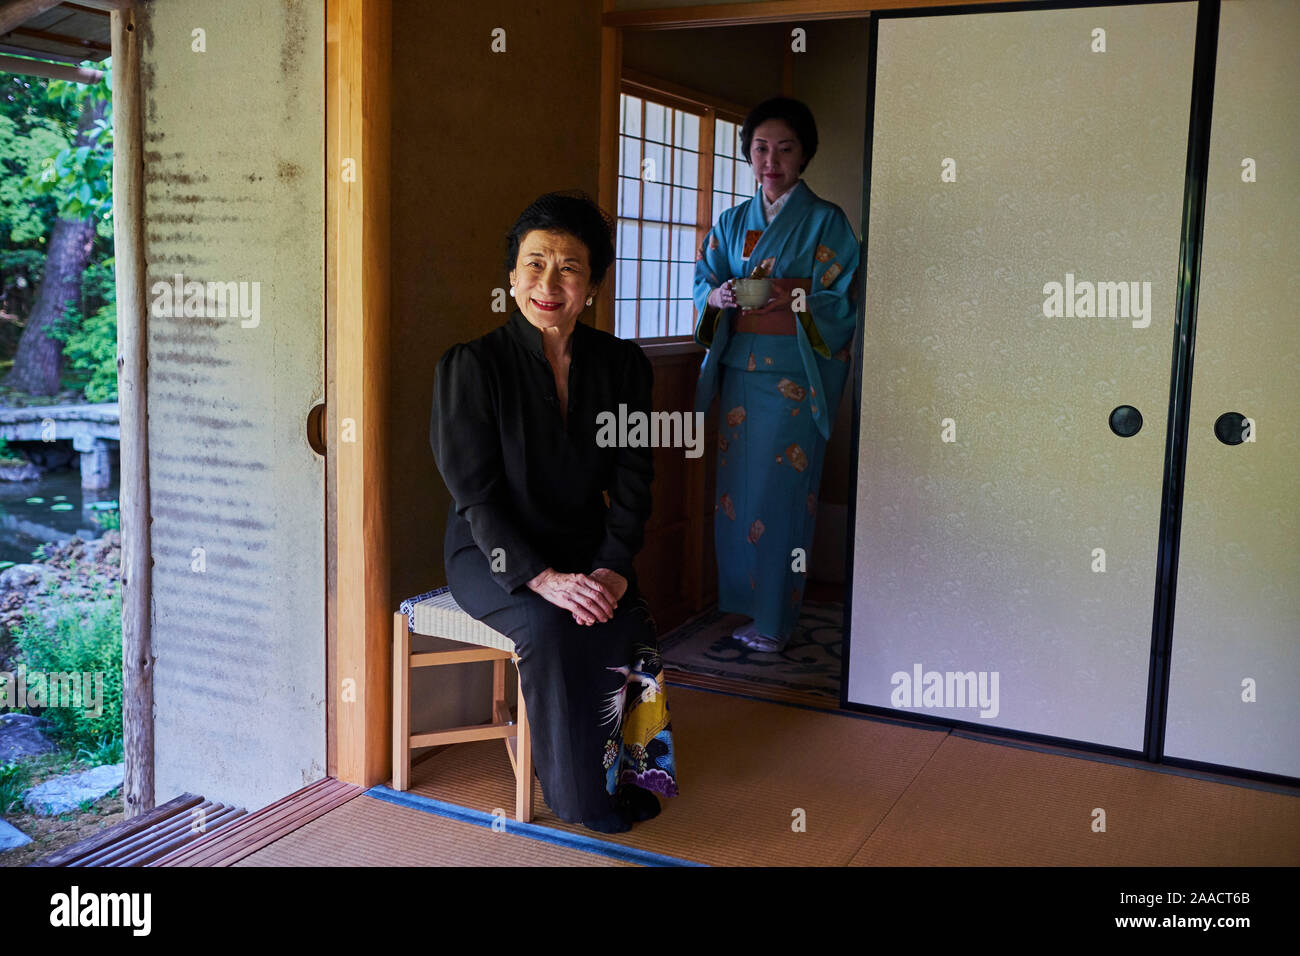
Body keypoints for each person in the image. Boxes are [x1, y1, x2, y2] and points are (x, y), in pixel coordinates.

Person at [430, 191, 678, 834]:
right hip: (491, 552)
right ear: (511, 277)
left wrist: (614, 568)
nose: (549, 282)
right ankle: (578, 797)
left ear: (591, 284)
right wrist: (541, 577)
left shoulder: (622, 365)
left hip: (585, 544)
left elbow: (633, 477)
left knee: (629, 615)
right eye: (534, 263)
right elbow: (475, 497)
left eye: (569, 267)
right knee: (551, 626)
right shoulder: (470, 367)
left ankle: (637, 769)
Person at [693, 97, 860, 654]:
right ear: (749, 155)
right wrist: (715, 298)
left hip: (794, 378)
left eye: (785, 148)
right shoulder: (731, 221)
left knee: (782, 494)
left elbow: (840, 303)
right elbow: (705, 283)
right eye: (761, 148)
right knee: (737, 495)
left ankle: (775, 619)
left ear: (804, 155)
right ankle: (746, 605)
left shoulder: (825, 220)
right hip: (739, 371)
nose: (771, 159)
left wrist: (789, 294)